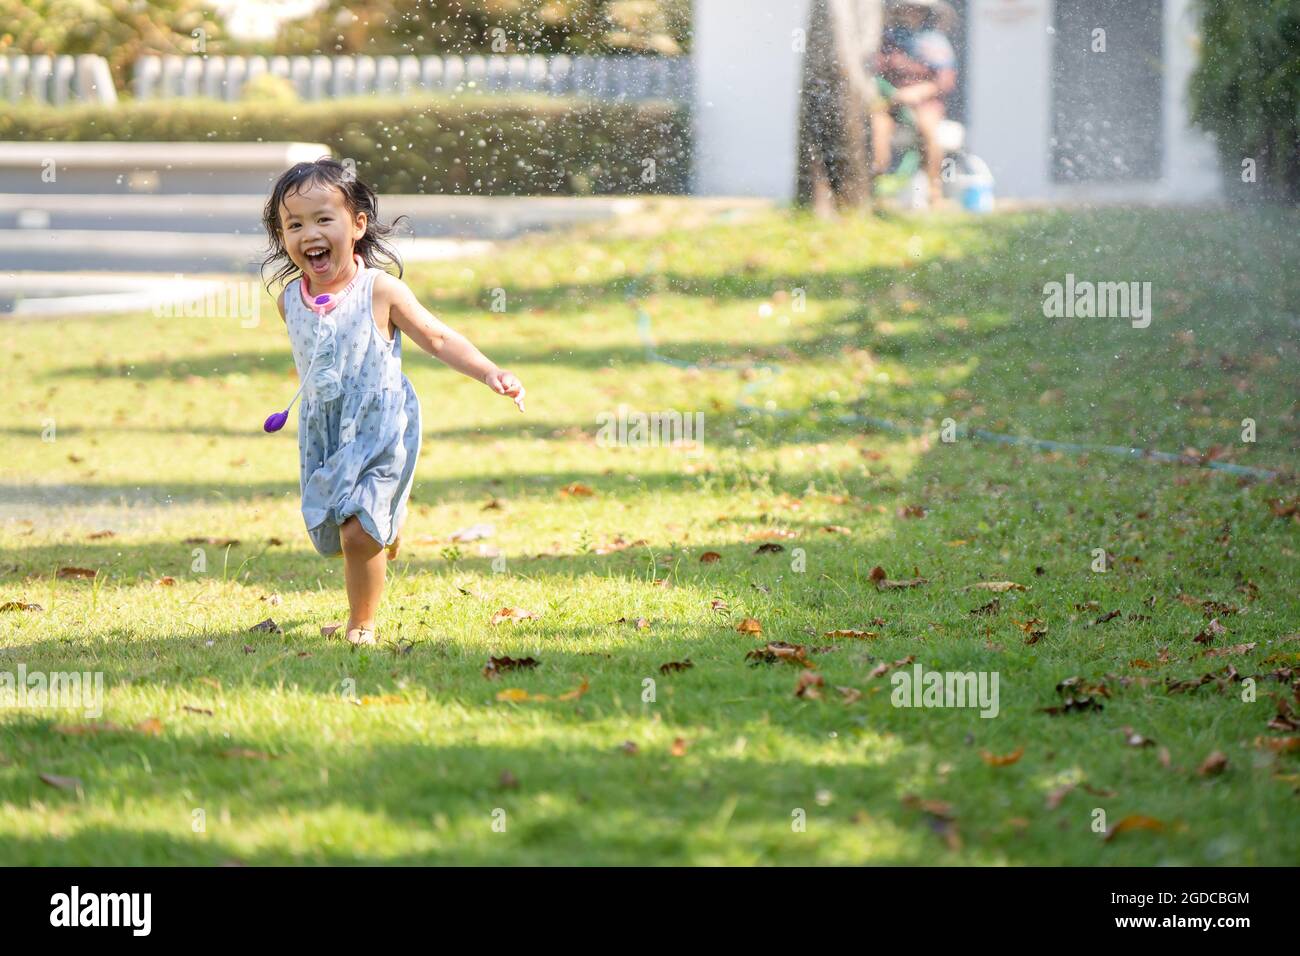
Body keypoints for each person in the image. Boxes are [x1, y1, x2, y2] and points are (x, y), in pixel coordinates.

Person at [260, 158, 524, 646]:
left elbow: (439, 339)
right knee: (337, 531)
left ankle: (361, 624)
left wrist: (491, 372)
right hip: (324, 430)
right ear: (282, 237)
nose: (309, 233)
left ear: (357, 224)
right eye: (294, 224)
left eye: (323, 219)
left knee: (358, 534)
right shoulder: (288, 300)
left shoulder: (380, 290)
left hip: (381, 423)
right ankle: (386, 525)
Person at [872, 0, 958, 205]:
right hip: (892, 100)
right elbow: (876, 71)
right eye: (906, 8)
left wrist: (917, 92)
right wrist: (891, 94)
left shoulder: (935, 42)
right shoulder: (890, 40)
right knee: (876, 126)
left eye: (917, 10)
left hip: (925, 102)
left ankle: (934, 191)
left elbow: (944, 80)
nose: (910, 13)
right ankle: (876, 181)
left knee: (929, 132)